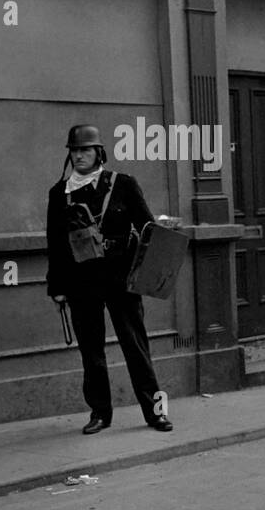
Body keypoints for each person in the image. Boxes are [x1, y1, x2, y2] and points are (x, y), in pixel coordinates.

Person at [46, 124, 172, 435]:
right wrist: (58, 287)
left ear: (98, 152)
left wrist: (147, 274)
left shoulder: (123, 184)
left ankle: (155, 413)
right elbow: (56, 244)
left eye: (85, 150)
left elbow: (147, 228)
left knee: (136, 347)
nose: (79, 156)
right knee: (91, 352)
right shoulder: (59, 194)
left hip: (120, 280)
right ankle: (100, 413)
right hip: (80, 282)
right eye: (74, 151)